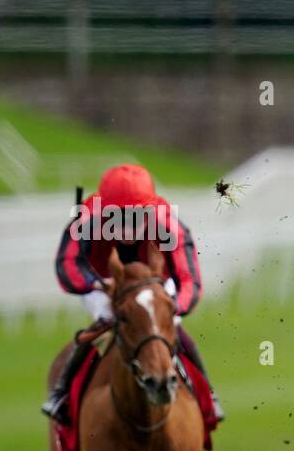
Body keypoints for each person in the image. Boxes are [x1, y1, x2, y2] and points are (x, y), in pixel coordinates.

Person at [42, 163, 224, 423]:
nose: (127, 229)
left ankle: (208, 396)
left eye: (135, 218)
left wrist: (173, 307)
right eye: (118, 218)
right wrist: (95, 284)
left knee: (169, 328)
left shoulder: (169, 225)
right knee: (104, 319)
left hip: (155, 284)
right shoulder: (86, 218)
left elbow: (189, 280)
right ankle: (61, 393)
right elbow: (67, 264)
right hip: (103, 282)